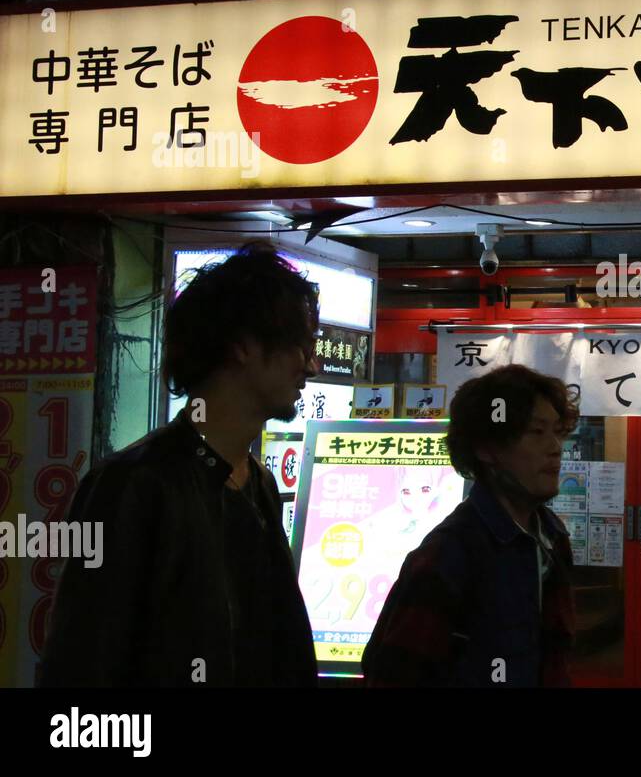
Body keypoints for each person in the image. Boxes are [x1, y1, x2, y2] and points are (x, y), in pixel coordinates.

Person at [38, 242, 319, 687]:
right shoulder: (134, 485)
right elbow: (83, 659)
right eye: (300, 346)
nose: (311, 363)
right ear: (242, 346)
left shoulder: (256, 483)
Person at [363, 364, 578, 687]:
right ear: (486, 448)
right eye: (536, 432)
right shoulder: (448, 555)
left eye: (557, 432)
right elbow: (395, 672)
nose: (554, 448)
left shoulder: (552, 538)